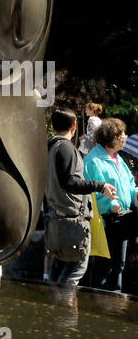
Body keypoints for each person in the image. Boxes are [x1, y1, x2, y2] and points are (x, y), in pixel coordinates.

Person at [45, 107, 115, 289]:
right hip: (71, 220)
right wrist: (100, 186)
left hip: (55, 217)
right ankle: (63, 313)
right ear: (75, 125)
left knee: (58, 268)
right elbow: (70, 182)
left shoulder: (50, 146)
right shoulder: (66, 148)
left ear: (53, 125)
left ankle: (50, 309)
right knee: (75, 269)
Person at [83, 118, 138, 292]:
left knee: (119, 265)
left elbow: (129, 184)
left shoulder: (118, 159)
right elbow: (92, 191)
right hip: (104, 223)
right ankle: (97, 306)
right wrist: (110, 204)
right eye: (123, 134)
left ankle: (115, 301)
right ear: (113, 137)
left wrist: (136, 194)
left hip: (121, 221)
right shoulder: (94, 160)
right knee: (102, 266)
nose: (126, 137)